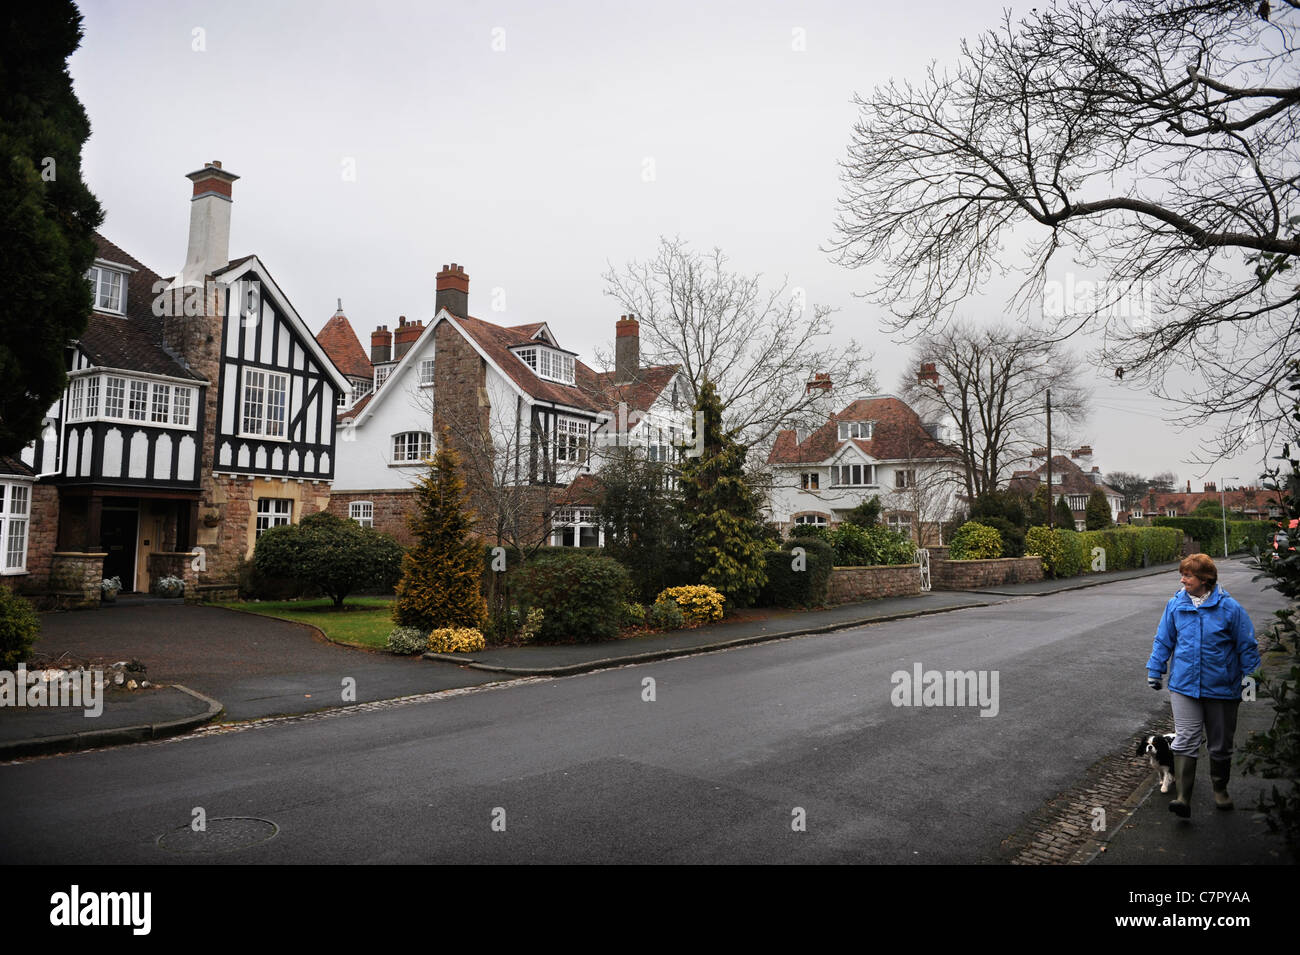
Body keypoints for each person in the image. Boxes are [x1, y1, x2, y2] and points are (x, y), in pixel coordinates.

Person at [1146, 553, 1261, 818]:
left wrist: (1251, 683)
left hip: (1222, 687)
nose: (1182, 579)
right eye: (1182, 574)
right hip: (1184, 686)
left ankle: (1220, 790)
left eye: (1188, 575)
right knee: (1185, 739)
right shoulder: (1175, 605)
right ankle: (1183, 798)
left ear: (1205, 579)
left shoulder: (1230, 609)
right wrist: (1155, 669)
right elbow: (1163, 640)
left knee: (1220, 744)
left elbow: (1247, 647)